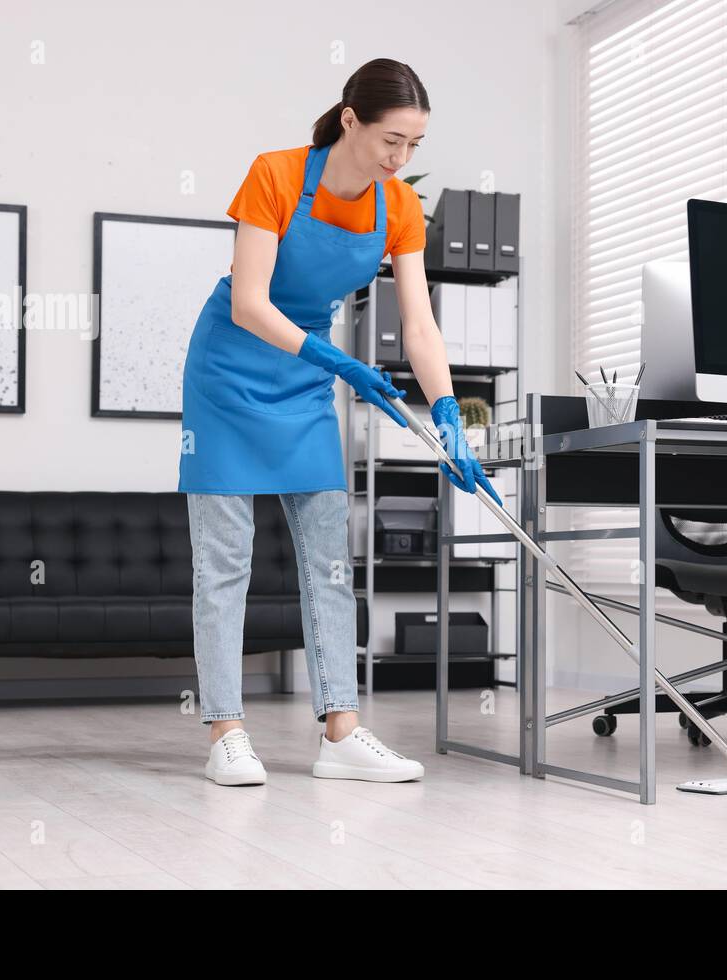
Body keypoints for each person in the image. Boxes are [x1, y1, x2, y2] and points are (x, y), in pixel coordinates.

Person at [177, 58, 501, 786]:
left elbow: (419, 327)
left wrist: (447, 413)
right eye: (392, 141)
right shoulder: (278, 174)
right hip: (229, 376)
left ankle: (341, 732)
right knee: (225, 563)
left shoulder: (399, 207)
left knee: (329, 562)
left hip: (304, 385)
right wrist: (341, 361)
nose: (401, 158)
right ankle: (227, 732)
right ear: (350, 120)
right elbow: (249, 302)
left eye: (414, 146)